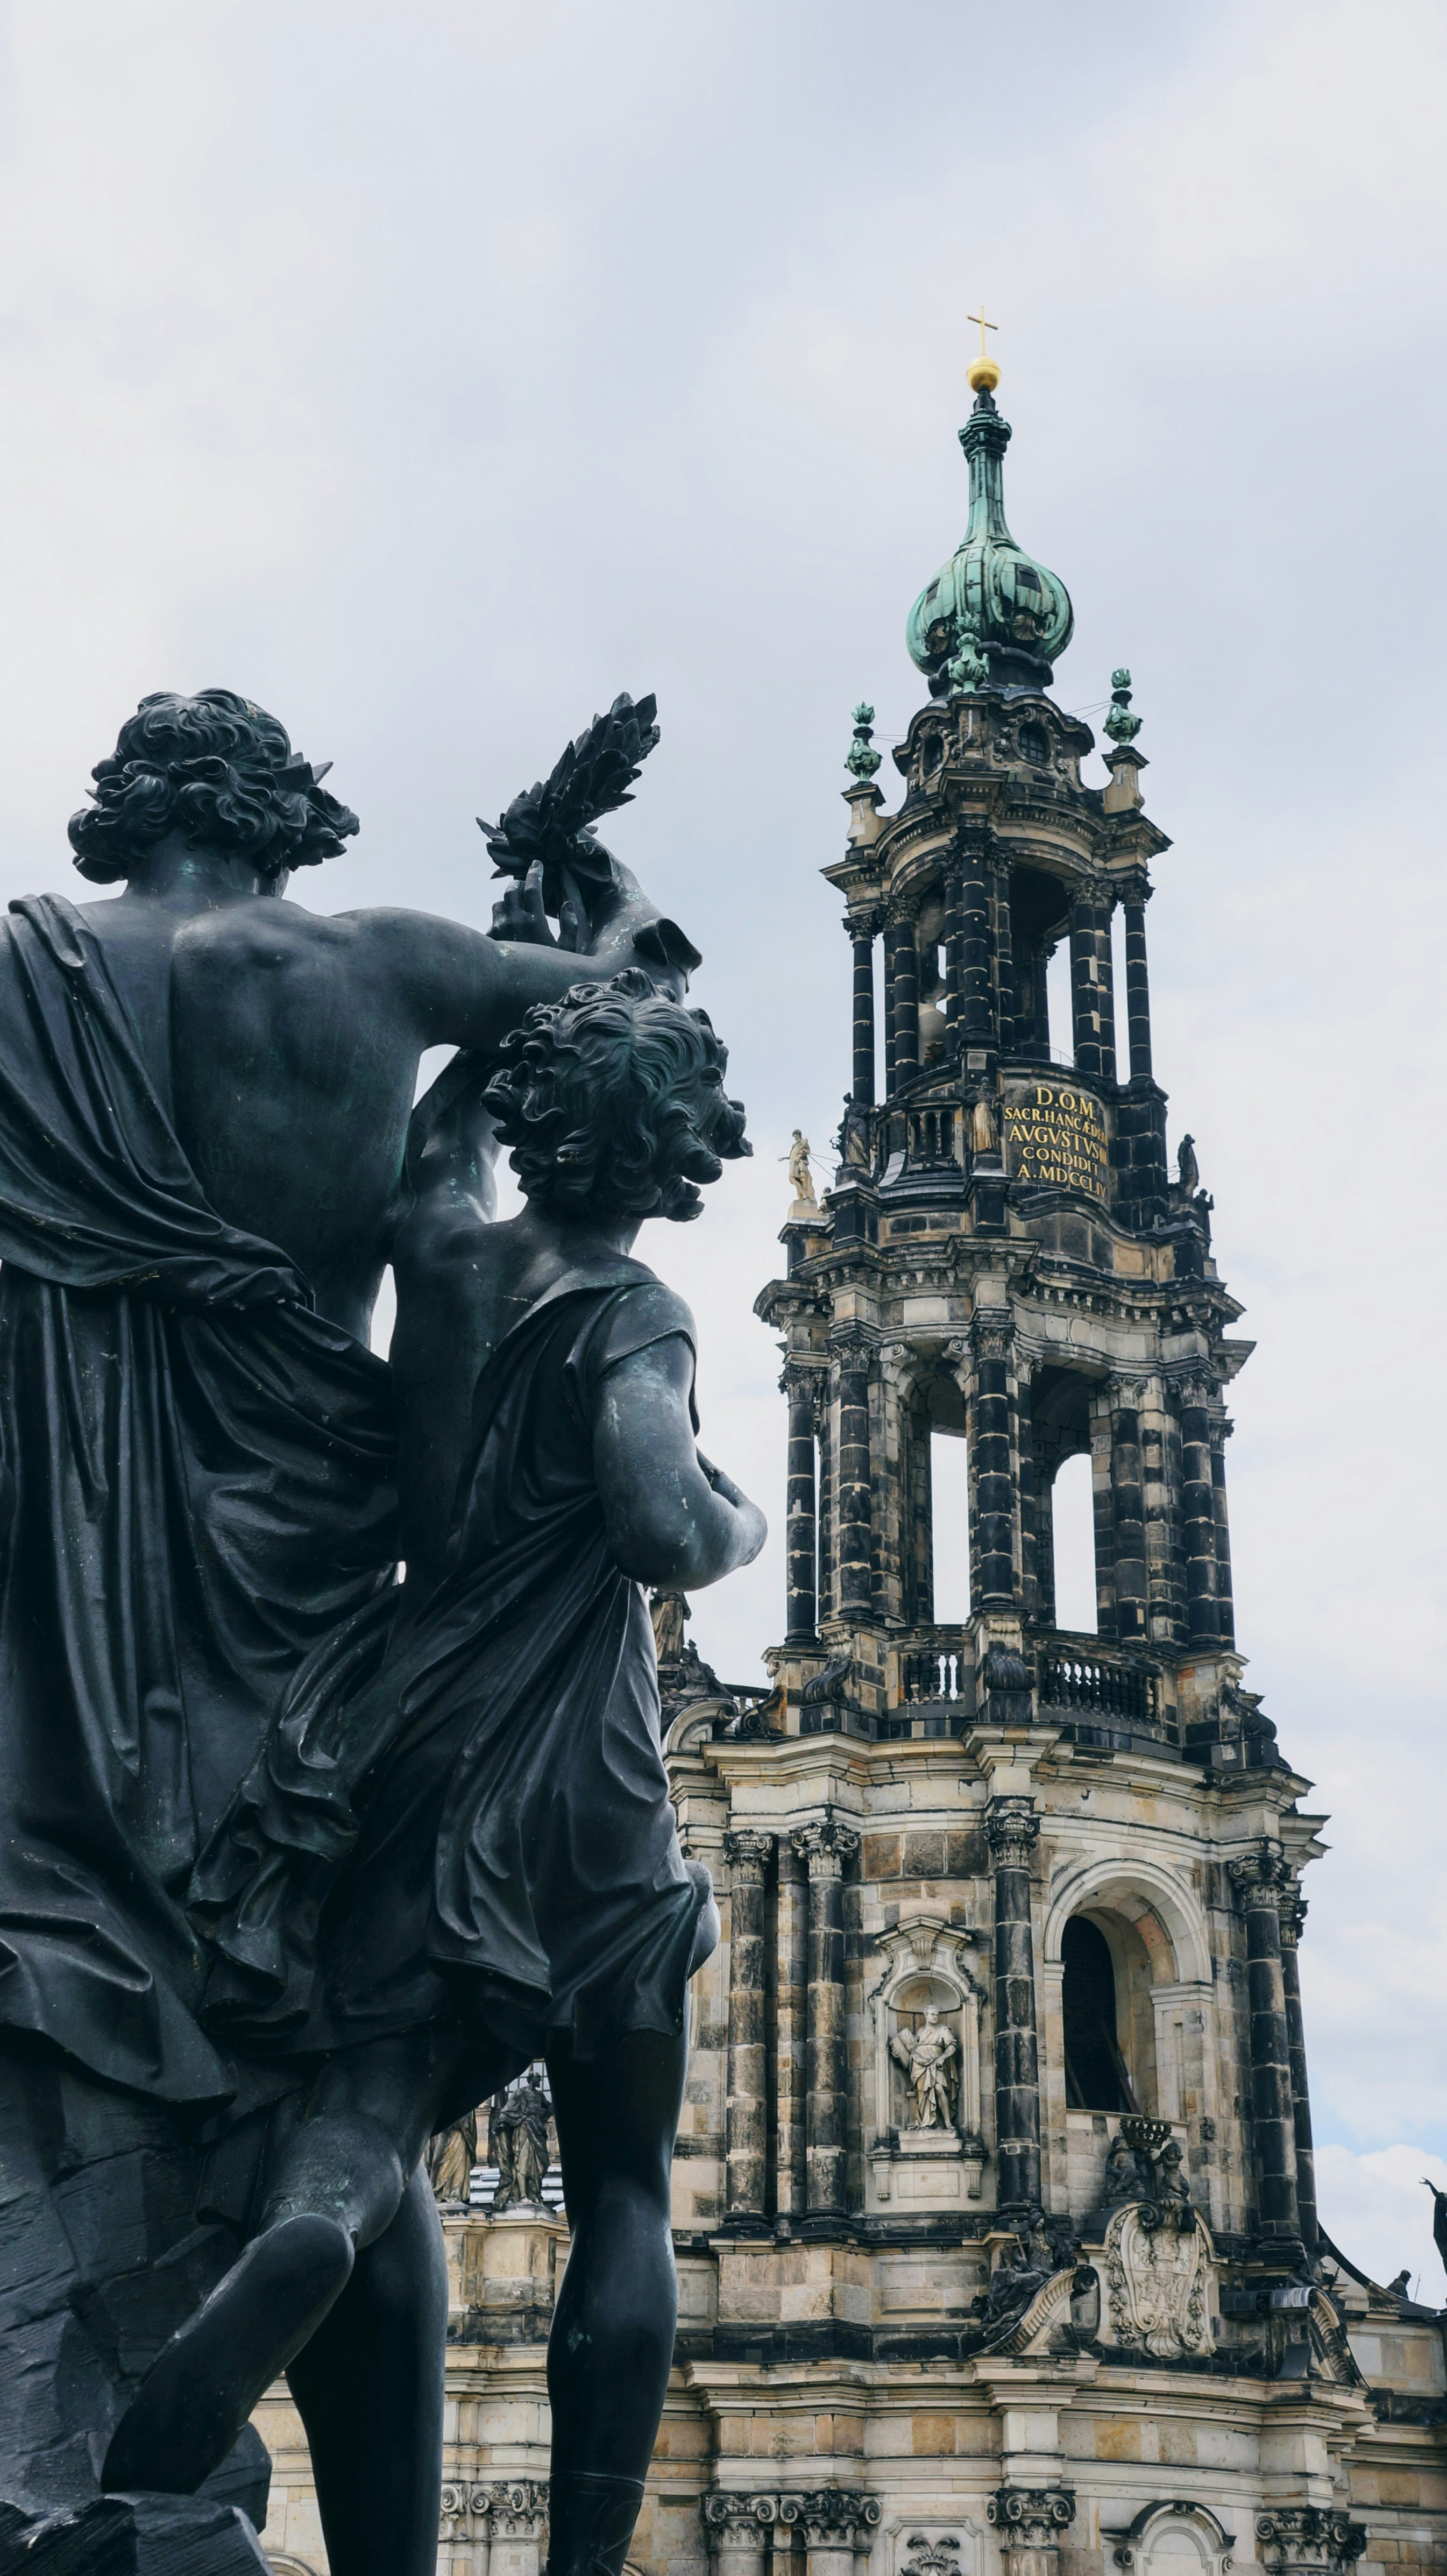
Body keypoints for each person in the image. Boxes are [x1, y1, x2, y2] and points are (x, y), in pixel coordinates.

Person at [0, 688, 693, 2544]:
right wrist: (607, 913)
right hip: (313, 1612)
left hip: (60, 1600)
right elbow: (632, 1049)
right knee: (333, 2081)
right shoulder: (378, 963)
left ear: (117, 813)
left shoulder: (22, 967)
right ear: (287, 816)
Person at [105, 972, 765, 2576]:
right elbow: (660, 1525)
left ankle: (306, 2237)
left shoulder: (446, 1250)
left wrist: (536, 991)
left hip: (403, 1734)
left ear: (539, 1121)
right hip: (582, 1773)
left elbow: (426, 1144)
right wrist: (740, 1510)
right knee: (621, 2181)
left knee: (364, 2112)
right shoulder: (634, 1311)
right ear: (675, 1161)